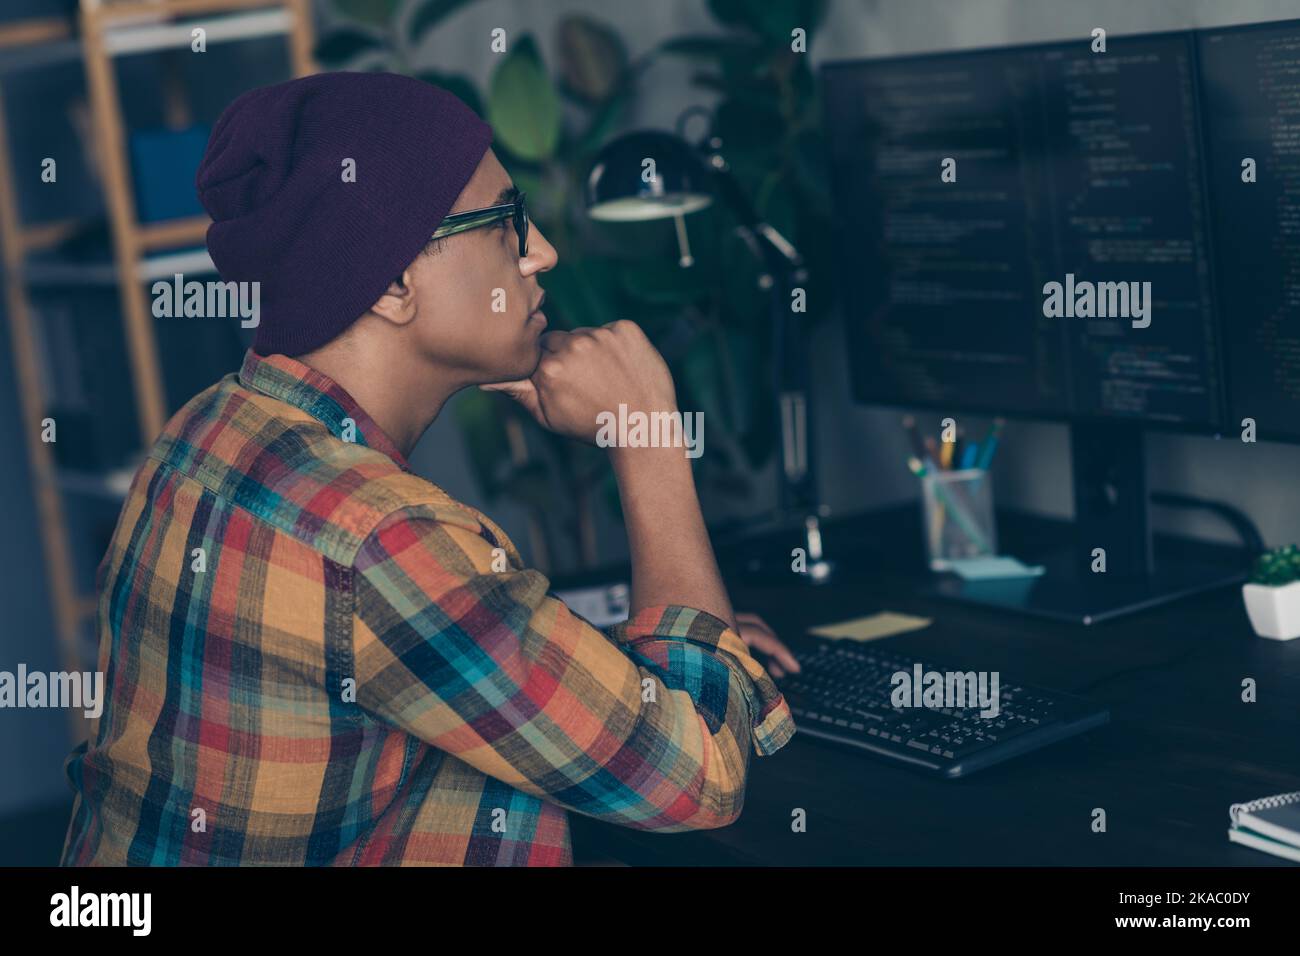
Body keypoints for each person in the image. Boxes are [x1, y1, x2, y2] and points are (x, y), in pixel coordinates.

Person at [60, 72, 798, 867]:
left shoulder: (203, 433)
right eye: (507, 223)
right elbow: (701, 778)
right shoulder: (379, 537)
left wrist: (624, 656)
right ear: (394, 282)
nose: (542, 253)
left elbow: (379, 657)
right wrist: (648, 433)